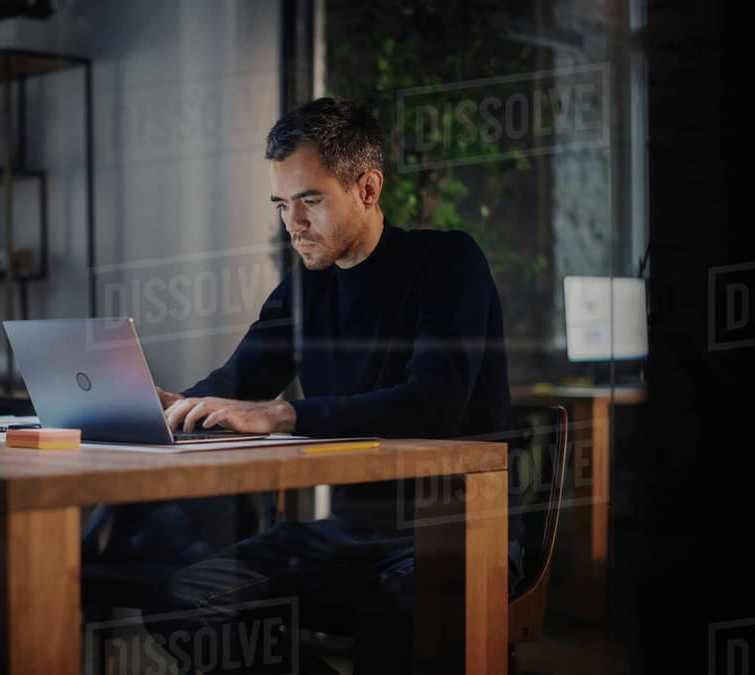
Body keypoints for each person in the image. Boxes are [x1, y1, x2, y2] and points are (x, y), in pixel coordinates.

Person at [134, 97, 521, 673]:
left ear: (367, 188)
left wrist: (284, 415)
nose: (292, 223)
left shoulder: (447, 262)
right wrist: (173, 405)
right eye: (282, 204)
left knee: (399, 614)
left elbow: (431, 406)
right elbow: (235, 385)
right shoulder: (304, 289)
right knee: (181, 602)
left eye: (310, 201)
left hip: (456, 531)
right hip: (350, 533)